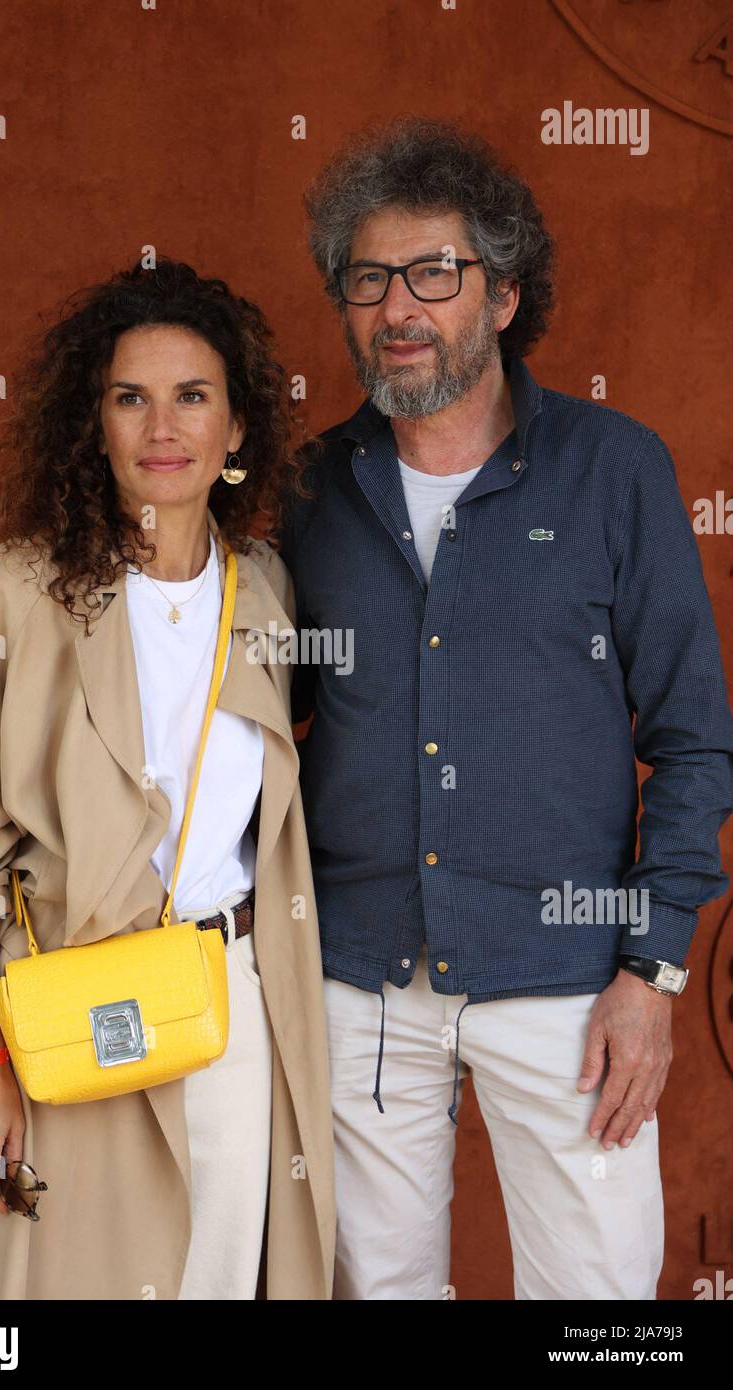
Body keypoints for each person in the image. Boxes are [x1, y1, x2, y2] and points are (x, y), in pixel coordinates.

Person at [276, 115, 733, 1300]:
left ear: (505, 292)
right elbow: (255, 730)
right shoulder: (307, 487)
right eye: (368, 278)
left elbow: (690, 737)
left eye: (434, 272)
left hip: (571, 974)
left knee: (597, 1309)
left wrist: (654, 975)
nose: (398, 308)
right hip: (357, 972)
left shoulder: (613, 467)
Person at [0, 257, 335, 1300]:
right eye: (129, 398)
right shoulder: (19, 590)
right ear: (95, 425)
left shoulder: (263, 590)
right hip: (62, 1010)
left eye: (192, 397)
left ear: (235, 431)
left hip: (225, 1008)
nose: (161, 427)